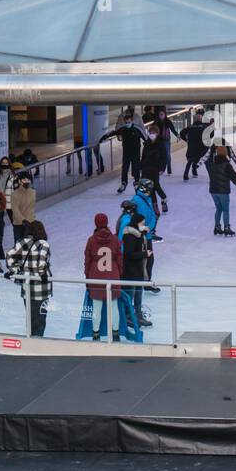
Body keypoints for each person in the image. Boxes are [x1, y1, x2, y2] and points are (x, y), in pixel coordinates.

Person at [5, 220, 51, 338]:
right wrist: (42, 273)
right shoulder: (43, 244)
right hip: (41, 288)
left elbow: (9, 255)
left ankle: (30, 340)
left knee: (30, 317)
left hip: (26, 287)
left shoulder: (21, 242)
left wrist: (14, 272)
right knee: (40, 318)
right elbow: (41, 262)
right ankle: (37, 342)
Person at [83, 213, 123, 341]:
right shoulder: (115, 239)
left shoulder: (91, 240)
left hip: (96, 276)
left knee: (97, 306)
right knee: (114, 305)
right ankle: (115, 333)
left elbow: (87, 261)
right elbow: (120, 259)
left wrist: (87, 278)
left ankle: (96, 333)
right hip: (113, 275)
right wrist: (119, 274)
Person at [120, 211, 153, 328]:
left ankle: (138, 316)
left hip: (138, 271)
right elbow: (128, 254)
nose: (144, 225)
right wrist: (144, 254)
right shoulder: (129, 235)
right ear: (136, 223)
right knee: (130, 296)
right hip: (130, 272)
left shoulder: (139, 235)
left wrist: (143, 232)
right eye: (142, 223)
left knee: (138, 296)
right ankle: (128, 317)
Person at [205, 144, 236, 236]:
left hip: (213, 191)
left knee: (218, 209)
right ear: (226, 153)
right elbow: (234, 176)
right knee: (225, 209)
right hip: (223, 191)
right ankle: (226, 227)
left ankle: (217, 227)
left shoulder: (211, 164)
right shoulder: (227, 165)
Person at [103, 113, 146, 193]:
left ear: (131, 121)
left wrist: (148, 145)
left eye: (129, 122)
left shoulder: (137, 129)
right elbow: (114, 132)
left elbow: (145, 137)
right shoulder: (123, 129)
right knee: (125, 168)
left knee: (136, 167)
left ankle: (137, 183)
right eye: (126, 122)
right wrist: (104, 137)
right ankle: (124, 183)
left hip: (135, 152)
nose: (127, 124)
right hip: (126, 152)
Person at [140, 126, 169, 213]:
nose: (152, 134)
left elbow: (165, 157)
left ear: (157, 134)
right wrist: (141, 166)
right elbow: (144, 156)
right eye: (150, 133)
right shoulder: (147, 143)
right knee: (149, 187)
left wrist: (162, 168)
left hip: (156, 167)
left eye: (153, 133)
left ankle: (163, 198)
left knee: (156, 185)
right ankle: (154, 204)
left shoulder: (161, 143)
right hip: (146, 167)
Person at [180, 111, 209, 181]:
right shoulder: (205, 127)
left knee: (190, 160)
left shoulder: (191, 127)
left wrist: (186, 139)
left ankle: (186, 174)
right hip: (202, 147)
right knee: (205, 161)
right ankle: (211, 176)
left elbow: (182, 133)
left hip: (192, 146)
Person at [0, 156, 17, 225]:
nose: (4, 164)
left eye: (6, 163)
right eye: (3, 163)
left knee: (15, 221)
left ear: (9, 164)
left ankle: (19, 235)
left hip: (9, 200)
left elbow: (16, 188)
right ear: (0, 164)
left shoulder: (12, 175)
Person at [9, 173, 36, 245]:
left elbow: (31, 208)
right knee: (19, 245)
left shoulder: (33, 192)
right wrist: (23, 220)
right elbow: (15, 210)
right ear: (19, 181)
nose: (26, 181)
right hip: (19, 224)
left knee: (30, 246)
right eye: (24, 180)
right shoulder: (14, 194)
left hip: (30, 222)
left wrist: (31, 219)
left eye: (28, 180)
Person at [153, 108, 178, 175]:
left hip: (166, 140)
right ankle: (160, 168)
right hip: (158, 140)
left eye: (162, 114)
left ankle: (168, 166)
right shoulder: (156, 122)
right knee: (159, 154)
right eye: (160, 114)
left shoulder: (168, 121)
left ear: (164, 115)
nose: (161, 116)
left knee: (167, 154)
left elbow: (172, 129)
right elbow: (152, 130)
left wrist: (177, 135)